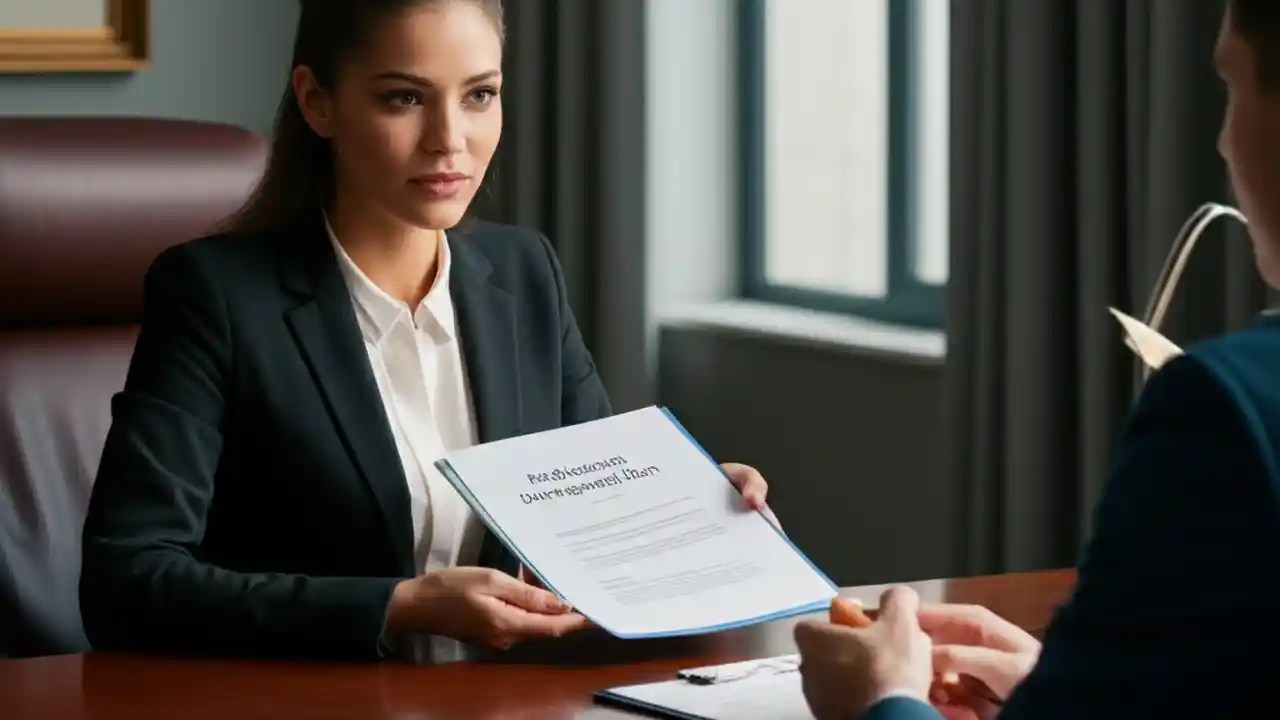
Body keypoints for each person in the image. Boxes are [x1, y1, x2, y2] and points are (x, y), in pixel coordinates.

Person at [78, 0, 773, 663]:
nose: (450, 140)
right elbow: (128, 581)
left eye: (479, 96)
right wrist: (399, 607)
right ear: (318, 102)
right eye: (404, 98)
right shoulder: (217, 297)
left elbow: (592, 511)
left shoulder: (523, 272)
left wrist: (688, 507)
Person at [794, 1, 1280, 717]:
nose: (1221, 142)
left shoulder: (1224, 411)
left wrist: (884, 700)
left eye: (1232, 89)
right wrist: (1067, 688)